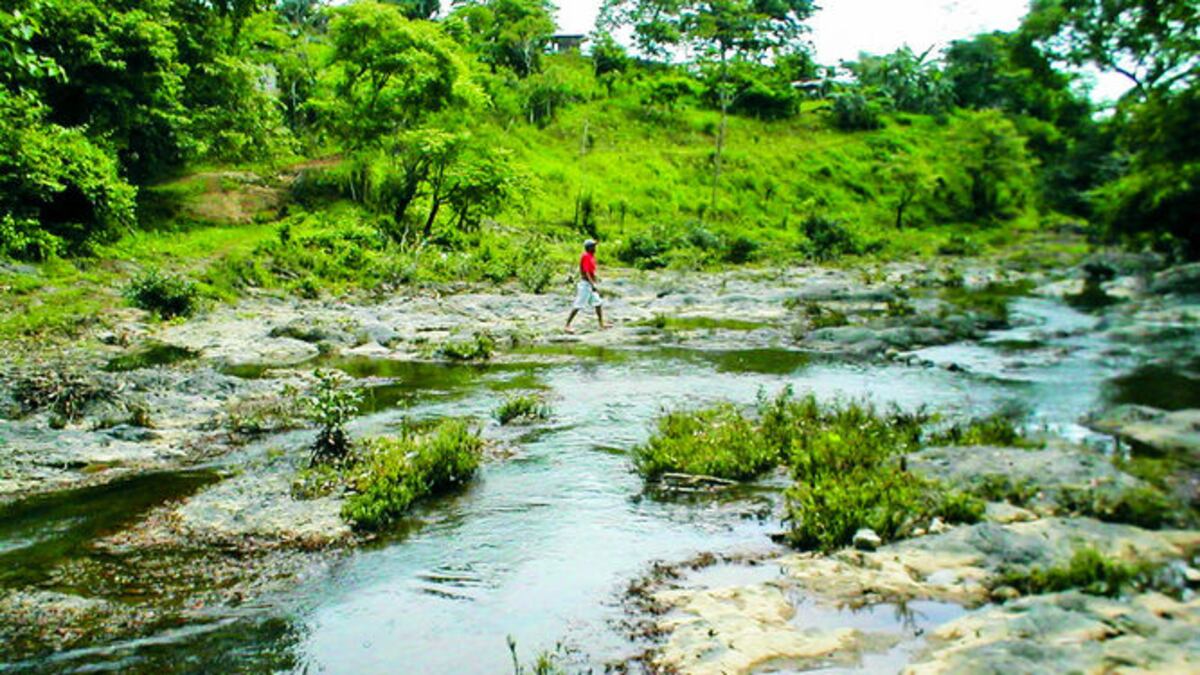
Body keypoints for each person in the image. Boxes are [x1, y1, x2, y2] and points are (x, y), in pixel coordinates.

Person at [565, 239, 606, 333]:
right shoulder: (586, 256)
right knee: (578, 305)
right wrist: (593, 285)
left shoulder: (591, 256)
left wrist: (596, 279)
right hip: (585, 285)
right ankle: (567, 325)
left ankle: (601, 324)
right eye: (593, 246)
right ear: (589, 248)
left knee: (598, 303)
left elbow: (591, 272)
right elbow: (586, 272)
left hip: (589, 284)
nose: (595, 248)